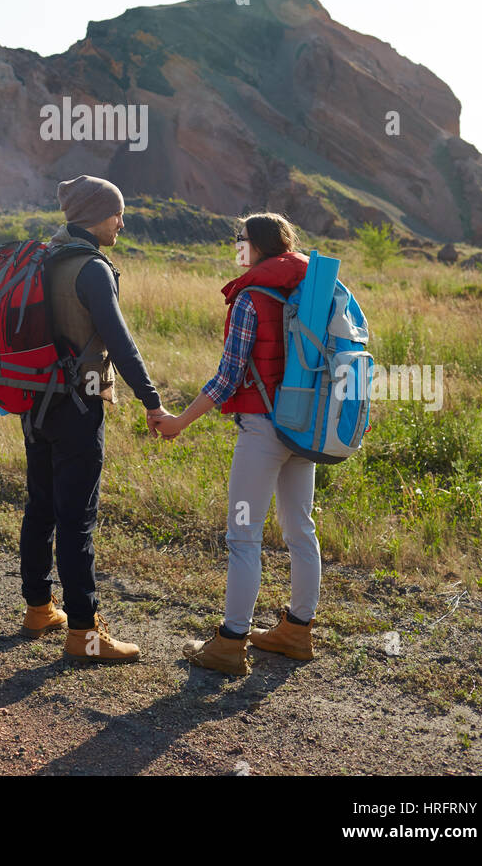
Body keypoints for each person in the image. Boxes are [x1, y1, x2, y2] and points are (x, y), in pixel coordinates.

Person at [155, 212, 321, 676]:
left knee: (243, 536)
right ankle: (297, 631)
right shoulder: (309, 290)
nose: (236, 246)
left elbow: (228, 379)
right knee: (299, 530)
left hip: (263, 431)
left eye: (240, 239)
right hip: (303, 430)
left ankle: (230, 644)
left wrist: (178, 422)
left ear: (258, 245)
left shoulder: (252, 297)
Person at [20, 174, 173, 661]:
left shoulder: (43, 258)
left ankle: (39, 610)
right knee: (77, 520)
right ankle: (84, 634)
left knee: (41, 505)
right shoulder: (92, 269)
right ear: (94, 216)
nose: (121, 223)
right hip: (78, 406)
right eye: (116, 214)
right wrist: (153, 401)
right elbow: (121, 344)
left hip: (34, 402)